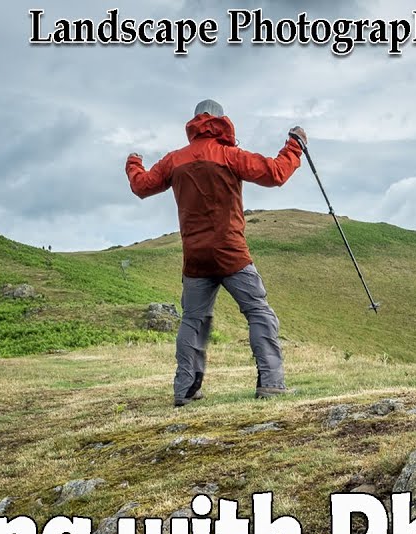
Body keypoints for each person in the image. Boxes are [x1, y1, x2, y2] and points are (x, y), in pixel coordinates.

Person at [125, 99, 305, 407]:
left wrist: (133, 162)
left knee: (193, 319)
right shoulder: (230, 155)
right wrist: (295, 144)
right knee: (258, 312)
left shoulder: (174, 160)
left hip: (195, 256)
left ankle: (185, 391)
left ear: (194, 124)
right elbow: (276, 173)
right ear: (222, 122)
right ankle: (271, 384)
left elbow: (142, 186)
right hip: (230, 251)